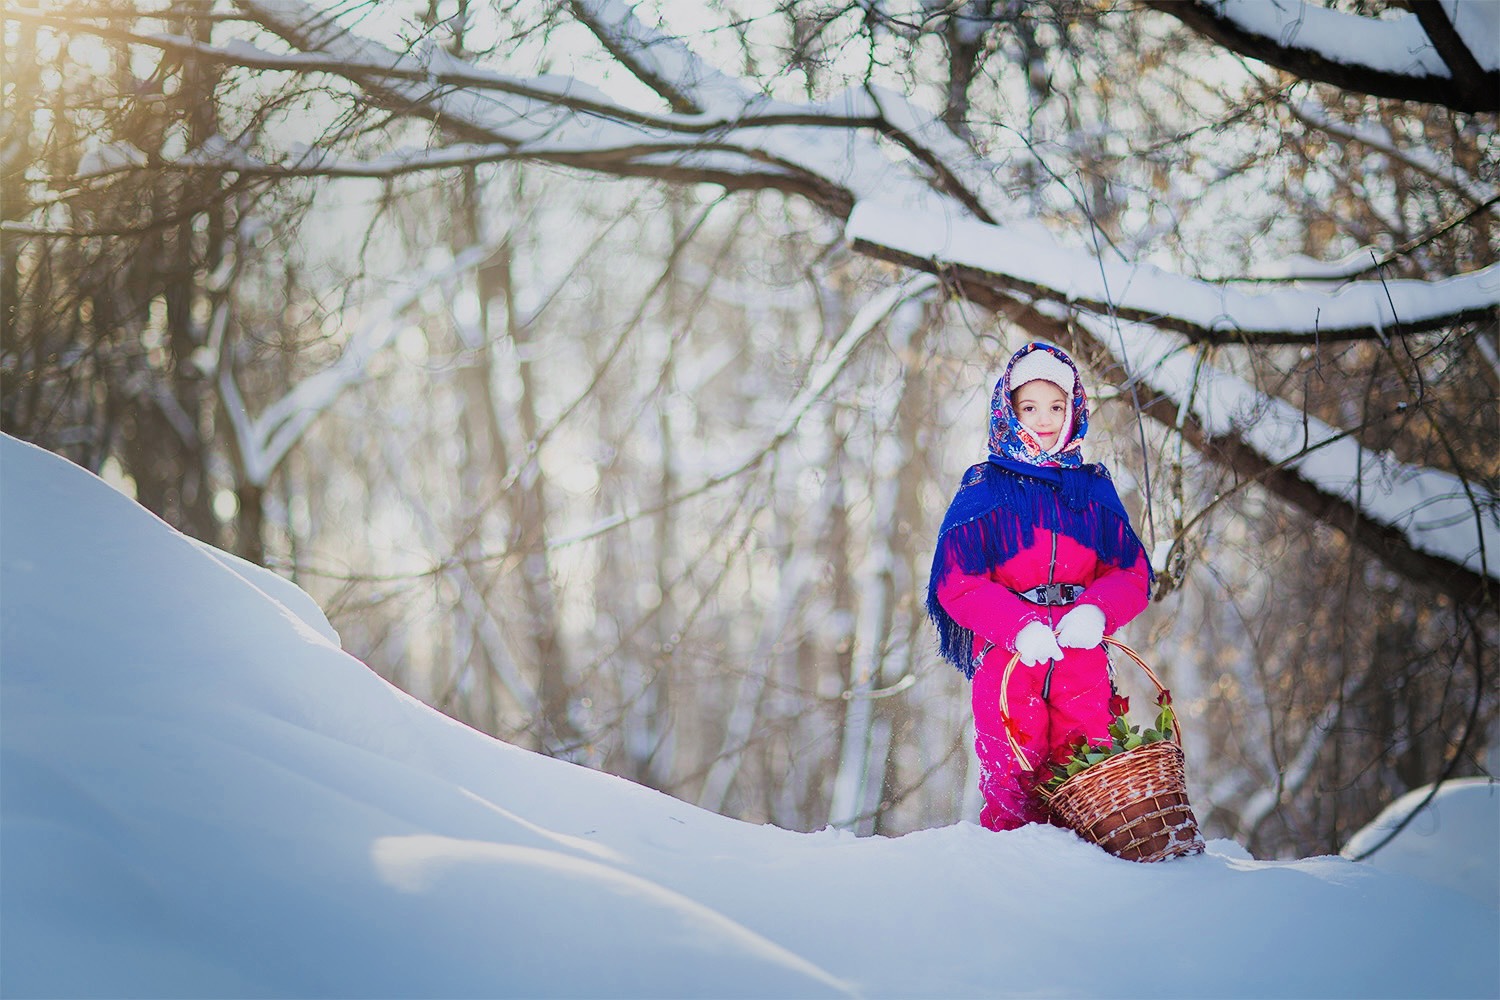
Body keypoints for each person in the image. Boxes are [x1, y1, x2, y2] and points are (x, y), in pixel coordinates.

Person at [927, 342, 1153, 831]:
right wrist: (1016, 625)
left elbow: (1132, 572)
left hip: (1081, 649)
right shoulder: (984, 488)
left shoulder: (1093, 488)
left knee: (1088, 767)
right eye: (1029, 407)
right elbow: (957, 581)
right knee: (1011, 773)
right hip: (1011, 657)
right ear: (1008, 412)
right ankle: (1014, 876)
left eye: (1056, 406)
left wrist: (1096, 611)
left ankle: (1091, 871)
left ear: (1075, 410)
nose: (1045, 420)